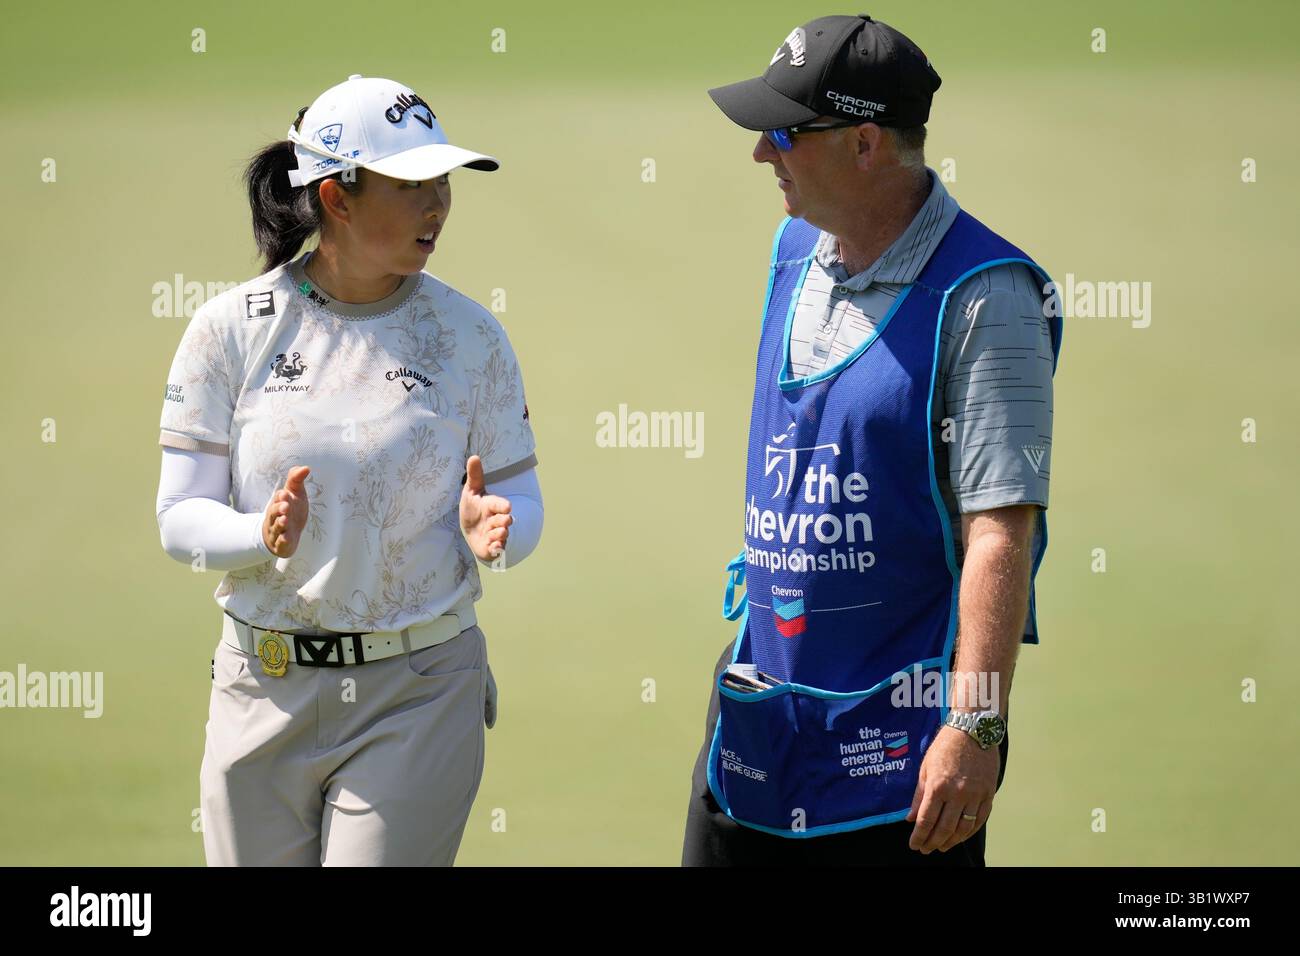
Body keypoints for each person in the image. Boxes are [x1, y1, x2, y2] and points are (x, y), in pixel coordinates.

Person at [681, 15, 1063, 866]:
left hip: (903, 748)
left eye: (783, 133)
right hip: (761, 703)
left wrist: (976, 726)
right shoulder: (793, 249)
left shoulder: (987, 296)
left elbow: (1000, 534)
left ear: (863, 143)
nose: (760, 155)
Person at [154, 74, 543, 866]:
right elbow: (178, 522)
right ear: (336, 197)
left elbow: (519, 502)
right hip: (260, 687)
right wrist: (255, 534)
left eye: (442, 182)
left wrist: (495, 530)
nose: (437, 204)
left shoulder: (472, 336)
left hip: (419, 689)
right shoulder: (230, 329)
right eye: (411, 185)